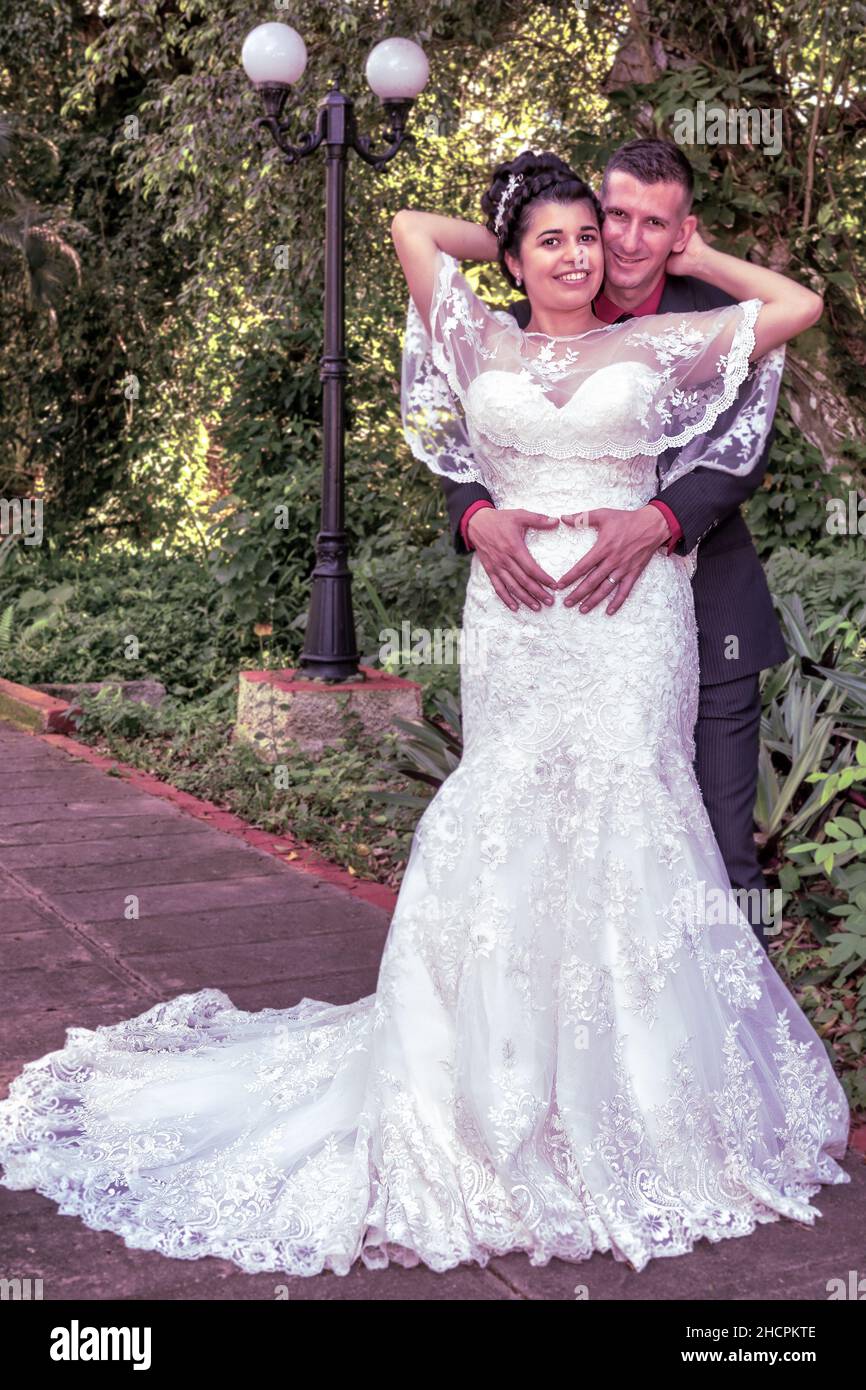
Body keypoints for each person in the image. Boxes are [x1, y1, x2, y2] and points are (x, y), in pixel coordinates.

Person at [0, 152, 851, 1280]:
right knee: (504, 806)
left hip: (626, 622)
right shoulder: (477, 341)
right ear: (508, 257)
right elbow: (406, 224)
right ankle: (476, 1090)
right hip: (513, 617)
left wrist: (685, 252)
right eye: (552, 239)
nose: (578, 253)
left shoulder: (657, 345)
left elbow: (795, 307)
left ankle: (641, 1105)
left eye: (590, 238)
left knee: (629, 810)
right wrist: (517, 225)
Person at [437, 139, 788, 948]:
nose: (626, 240)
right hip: (542, 618)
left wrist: (660, 521)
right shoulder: (519, 325)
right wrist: (474, 514)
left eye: (652, 224)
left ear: (681, 231)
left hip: (697, 611)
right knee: (542, 835)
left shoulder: (711, 314)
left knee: (714, 853)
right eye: (614, 216)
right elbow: (461, 439)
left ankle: (722, 1042)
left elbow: (743, 453)